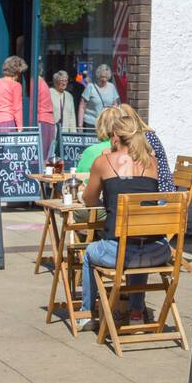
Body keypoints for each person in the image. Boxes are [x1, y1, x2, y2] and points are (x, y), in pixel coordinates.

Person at [80, 106, 173, 326]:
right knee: (137, 239)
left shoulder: (103, 162)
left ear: (114, 138)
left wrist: (109, 200)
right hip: (158, 251)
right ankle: (136, 313)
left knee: (90, 254)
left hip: (118, 253)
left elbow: (89, 201)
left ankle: (86, 315)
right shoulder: (153, 163)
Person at [78, 64, 119, 129]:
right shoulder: (90, 87)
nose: (104, 79)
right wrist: (80, 125)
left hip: (106, 124)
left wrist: (115, 122)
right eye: (102, 77)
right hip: (91, 123)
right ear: (98, 76)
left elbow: (115, 106)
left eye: (106, 77)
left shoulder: (112, 87)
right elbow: (82, 107)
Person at [50, 71, 77, 141]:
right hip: (52, 132)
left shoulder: (69, 96)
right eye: (62, 80)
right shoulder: (49, 93)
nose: (64, 83)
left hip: (65, 134)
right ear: (56, 81)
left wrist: (73, 134)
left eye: (66, 80)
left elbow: (72, 117)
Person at [37, 74, 56, 163]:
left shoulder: (36, 83)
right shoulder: (43, 83)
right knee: (47, 158)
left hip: (42, 121)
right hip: (49, 121)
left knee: (41, 157)